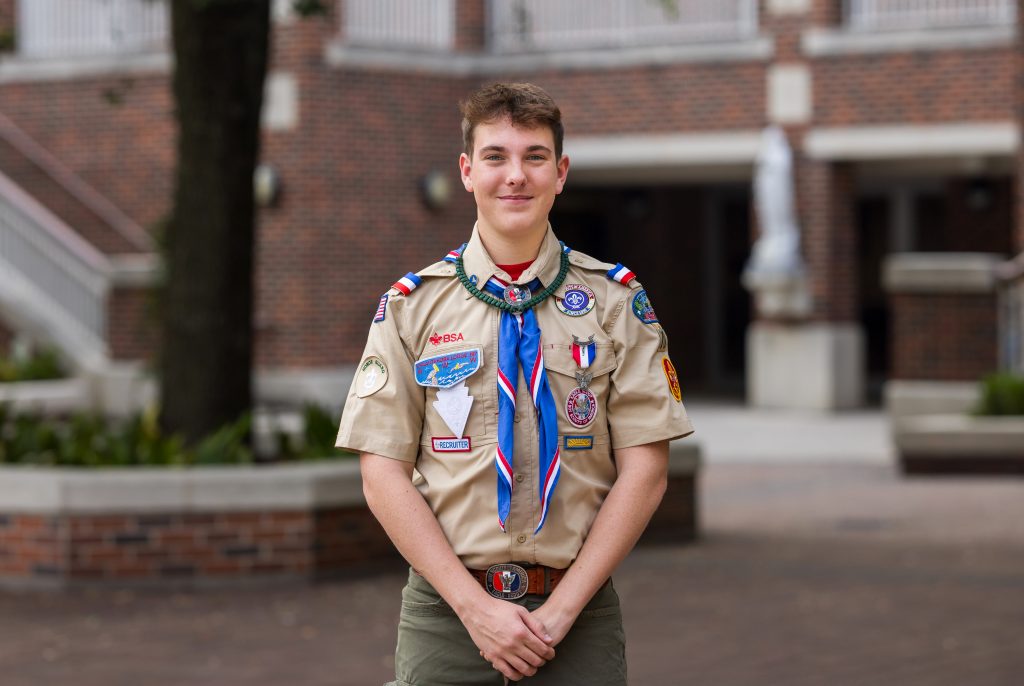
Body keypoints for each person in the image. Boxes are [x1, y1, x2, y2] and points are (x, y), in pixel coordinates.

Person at [336, 82, 693, 685]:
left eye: (535, 156)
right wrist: (474, 611)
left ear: (561, 173)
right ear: (467, 171)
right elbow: (381, 473)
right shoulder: (411, 307)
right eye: (496, 156)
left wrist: (560, 613)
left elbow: (646, 471)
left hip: (576, 610)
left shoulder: (615, 302)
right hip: (448, 613)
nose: (516, 176)